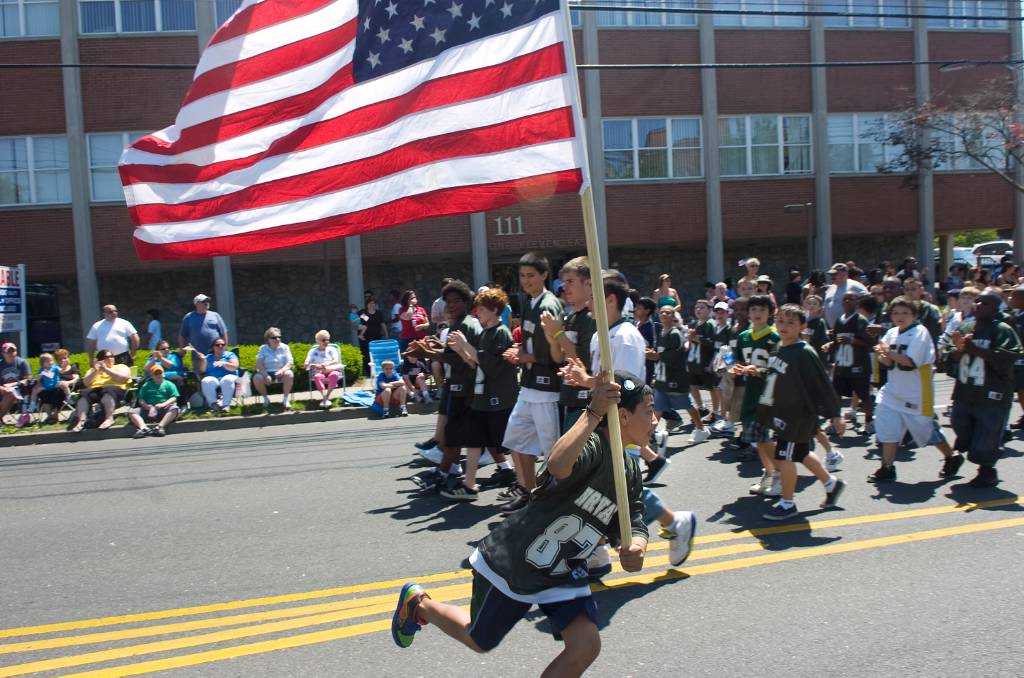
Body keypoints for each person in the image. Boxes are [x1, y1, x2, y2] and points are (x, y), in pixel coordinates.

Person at [391, 371, 649, 678]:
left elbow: (634, 519)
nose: (656, 420)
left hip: (563, 570)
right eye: (649, 411)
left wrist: (635, 546)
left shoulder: (630, 470)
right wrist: (593, 412)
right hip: (516, 562)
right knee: (479, 639)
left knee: (585, 645)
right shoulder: (592, 446)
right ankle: (418, 604)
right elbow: (558, 464)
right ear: (623, 415)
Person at [759, 304, 848, 520]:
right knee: (800, 453)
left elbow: (822, 383)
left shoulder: (804, 352)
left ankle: (787, 503)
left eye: (791, 323)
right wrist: (757, 371)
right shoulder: (779, 346)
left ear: (802, 326)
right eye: (780, 321)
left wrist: (836, 414)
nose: (784, 326)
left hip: (797, 414)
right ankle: (831, 484)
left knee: (784, 457)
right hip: (782, 411)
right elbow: (778, 375)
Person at [869, 297, 958, 483]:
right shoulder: (891, 333)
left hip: (917, 392)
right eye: (895, 313)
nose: (900, 316)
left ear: (914, 315)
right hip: (893, 390)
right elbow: (887, 363)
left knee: (926, 430)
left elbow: (910, 361)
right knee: (887, 428)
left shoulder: (920, 332)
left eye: (905, 313)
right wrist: (881, 354)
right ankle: (887, 467)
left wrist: (888, 352)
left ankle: (951, 457)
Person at [441, 287, 519, 500]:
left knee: (510, 444)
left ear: (495, 310)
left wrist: (465, 345)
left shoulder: (501, 333)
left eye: (482, 309)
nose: (478, 313)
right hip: (482, 398)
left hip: (498, 399)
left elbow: (491, 365)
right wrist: (460, 350)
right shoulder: (485, 333)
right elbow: (475, 364)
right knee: (474, 440)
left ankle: (523, 484)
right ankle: (469, 485)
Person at [499, 253, 563, 512]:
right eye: (522, 276)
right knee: (516, 439)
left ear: (544, 275)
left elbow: (557, 350)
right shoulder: (528, 301)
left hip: (547, 389)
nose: (526, 281)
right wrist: (520, 350)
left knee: (553, 451)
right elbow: (530, 342)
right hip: (528, 386)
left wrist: (525, 356)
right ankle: (529, 493)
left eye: (531, 276)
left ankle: (558, 502)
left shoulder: (549, 304)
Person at [948, 293, 1021, 487]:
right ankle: (963, 451)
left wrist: (974, 349)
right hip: (965, 390)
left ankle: (987, 470)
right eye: (977, 301)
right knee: (959, 422)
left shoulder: (1002, 330)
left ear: (996, 309)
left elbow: (1009, 356)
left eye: (985, 303)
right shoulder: (965, 327)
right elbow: (949, 356)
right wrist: (957, 350)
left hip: (992, 393)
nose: (978, 304)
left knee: (987, 433)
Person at [732, 295, 781, 493]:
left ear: (770, 313)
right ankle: (769, 472)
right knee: (757, 438)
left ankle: (779, 475)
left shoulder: (775, 337)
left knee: (767, 437)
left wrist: (758, 371)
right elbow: (740, 362)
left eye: (762, 309)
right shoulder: (743, 337)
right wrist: (735, 369)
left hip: (771, 392)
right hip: (751, 391)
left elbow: (778, 368)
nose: (757, 313)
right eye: (753, 309)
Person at [652, 307, 711, 446]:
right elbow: (660, 351)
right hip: (662, 377)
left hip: (675, 377)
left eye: (668, 313)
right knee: (658, 407)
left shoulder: (674, 334)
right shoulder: (661, 333)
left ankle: (701, 429)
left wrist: (657, 355)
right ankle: (649, 434)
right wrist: (652, 354)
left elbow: (676, 355)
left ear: (673, 316)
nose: (664, 314)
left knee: (686, 403)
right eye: (662, 312)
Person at [826, 291, 875, 450]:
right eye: (845, 299)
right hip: (842, 364)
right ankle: (835, 422)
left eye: (851, 299)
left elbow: (870, 342)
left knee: (863, 395)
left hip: (858, 365)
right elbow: (836, 339)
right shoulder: (840, 320)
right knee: (835, 394)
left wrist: (852, 340)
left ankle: (869, 421)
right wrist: (830, 344)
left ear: (857, 302)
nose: (847, 302)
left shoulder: (860, 320)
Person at [70, 349, 131, 432]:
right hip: (96, 389)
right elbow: (86, 383)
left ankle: (109, 419)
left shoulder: (120, 366)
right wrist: (95, 370)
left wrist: (106, 370)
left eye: (112, 356)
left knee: (108, 390)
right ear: (100, 360)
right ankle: (81, 421)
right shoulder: (93, 370)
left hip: (116, 388)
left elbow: (123, 378)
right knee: (84, 394)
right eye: (106, 357)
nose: (110, 358)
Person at [128, 364, 179, 438]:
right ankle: (144, 429)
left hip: (164, 408)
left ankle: (159, 427)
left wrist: (163, 404)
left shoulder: (169, 384)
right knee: (132, 412)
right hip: (149, 409)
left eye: (160, 373)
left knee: (175, 409)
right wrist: (145, 405)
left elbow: (174, 398)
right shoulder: (146, 385)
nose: (158, 375)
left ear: (163, 374)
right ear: (152, 376)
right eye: (156, 373)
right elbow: (141, 399)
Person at [178, 294, 228, 366]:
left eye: (207, 301)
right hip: (198, 356)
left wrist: (225, 348)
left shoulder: (215, 315)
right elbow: (182, 336)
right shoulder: (189, 317)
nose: (207, 303)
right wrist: (182, 349)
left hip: (215, 355)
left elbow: (223, 333)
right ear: (196, 304)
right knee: (200, 372)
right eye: (204, 301)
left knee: (216, 371)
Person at [686, 299, 716, 419]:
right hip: (693, 361)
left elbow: (711, 343)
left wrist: (695, 338)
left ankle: (715, 412)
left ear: (709, 310)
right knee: (691, 384)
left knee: (711, 387)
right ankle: (701, 408)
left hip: (705, 362)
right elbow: (689, 341)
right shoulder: (694, 324)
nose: (698, 310)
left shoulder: (710, 324)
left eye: (702, 307)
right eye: (696, 307)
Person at [253, 327, 295, 411]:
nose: (277, 339)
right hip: (267, 372)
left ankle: (285, 400)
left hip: (281, 372)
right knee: (257, 378)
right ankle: (266, 399)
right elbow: (259, 364)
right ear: (268, 339)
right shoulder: (263, 348)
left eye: (279, 337)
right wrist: (266, 375)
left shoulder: (285, 347)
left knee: (289, 374)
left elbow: (290, 362)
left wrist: (282, 370)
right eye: (274, 337)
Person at [193, 339, 239, 412]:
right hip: (214, 378)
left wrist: (224, 363)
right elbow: (202, 370)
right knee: (206, 381)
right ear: (213, 347)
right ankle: (213, 404)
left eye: (223, 344)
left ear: (225, 346)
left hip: (229, 376)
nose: (220, 346)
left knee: (226, 380)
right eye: (217, 345)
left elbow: (235, 367)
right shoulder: (208, 357)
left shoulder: (230, 355)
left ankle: (226, 405)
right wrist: (202, 360)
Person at [35, 348, 79, 423]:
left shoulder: (73, 367)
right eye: (60, 359)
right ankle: (49, 416)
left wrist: (68, 383)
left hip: (66, 388)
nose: (63, 360)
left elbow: (76, 378)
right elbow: (46, 377)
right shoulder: (54, 368)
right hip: (53, 386)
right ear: (57, 360)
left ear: (68, 358)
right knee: (43, 393)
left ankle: (55, 415)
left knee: (58, 392)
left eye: (65, 358)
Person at [305, 330, 344, 408]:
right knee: (317, 377)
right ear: (318, 341)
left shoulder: (332, 349)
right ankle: (324, 398)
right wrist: (309, 364)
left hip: (331, 370)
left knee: (334, 375)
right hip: (319, 371)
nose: (326, 342)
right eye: (323, 340)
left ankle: (326, 397)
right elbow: (307, 361)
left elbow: (336, 360)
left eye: (327, 340)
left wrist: (326, 364)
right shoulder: (313, 351)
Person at [823, 263, 867, 327]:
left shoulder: (855, 286)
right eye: (831, 274)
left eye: (835, 274)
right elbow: (825, 309)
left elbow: (868, 304)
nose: (832, 277)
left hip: (851, 328)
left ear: (845, 274)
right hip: (833, 329)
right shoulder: (830, 289)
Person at [144, 340, 187, 407]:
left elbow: (172, 366)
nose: (167, 350)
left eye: (168, 348)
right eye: (163, 349)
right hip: (157, 378)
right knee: (143, 382)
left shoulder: (174, 356)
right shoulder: (152, 358)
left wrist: (161, 358)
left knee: (179, 380)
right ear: (158, 350)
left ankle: (182, 405)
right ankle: (142, 405)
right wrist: (154, 360)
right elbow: (146, 369)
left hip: (172, 377)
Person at [25, 353, 63, 425]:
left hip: (55, 386)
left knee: (61, 388)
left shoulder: (55, 368)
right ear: (42, 364)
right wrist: (39, 376)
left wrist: (62, 366)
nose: (50, 362)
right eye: (48, 361)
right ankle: (33, 404)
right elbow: (38, 380)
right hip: (46, 387)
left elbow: (60, 372)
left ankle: (68, 396)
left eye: (51, 360)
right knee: (35, 390)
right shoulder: (41, 369)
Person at [902, 278, 942, 345]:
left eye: (913, 289)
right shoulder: (900, 310)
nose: (909, 292)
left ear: (921, 290)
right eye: (907, 290)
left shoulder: (931, 309)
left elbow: (936, 332)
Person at [1, 343, 33, 426]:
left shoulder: (22, 362)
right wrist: (3, 389)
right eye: (8, 351)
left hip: (19, 391)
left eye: (13, 351)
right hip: (2, 389)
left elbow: (28, 379)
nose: (11, 353)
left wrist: (12, 385)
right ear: (3, 353)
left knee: (10, 394)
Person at [358, 297, 387, 377]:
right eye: (370, 303)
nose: (372, 305)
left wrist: (386, 333)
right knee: (366, 354)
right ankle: (368, 372)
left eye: (373, 303)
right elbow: (357, 321)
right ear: (367, 305)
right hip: (365, 338)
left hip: (376, 337)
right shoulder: (363, 313)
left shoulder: (378, 313)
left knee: (376, 354)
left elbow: (382, 324)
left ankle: (378, 370)